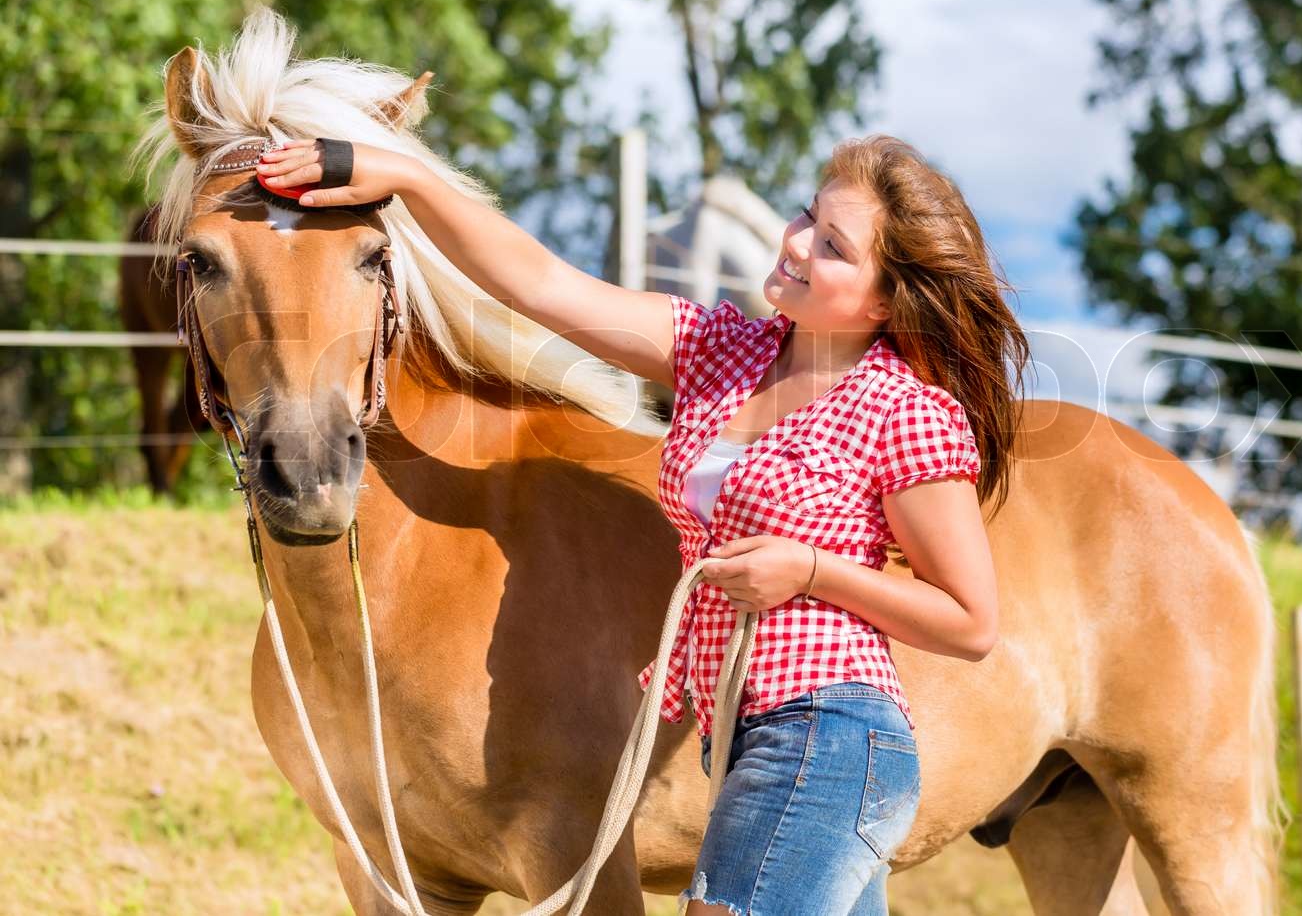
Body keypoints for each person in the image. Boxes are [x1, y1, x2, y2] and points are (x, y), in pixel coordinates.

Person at [257, 132, 1028, 915]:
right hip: (740, 734)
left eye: (832, 245)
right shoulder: (720, 351)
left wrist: (811, 572)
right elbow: (541, 283)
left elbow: (971, 620)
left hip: (828, 736)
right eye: (806, 214)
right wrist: (406, 178)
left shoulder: (906, 411)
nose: (794, 242)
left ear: (884, 300)